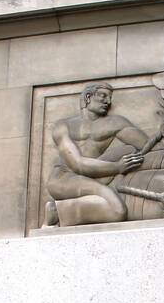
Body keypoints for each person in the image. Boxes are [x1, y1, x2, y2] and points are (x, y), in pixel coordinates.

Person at [45, 82, 150, 226]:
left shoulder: (115, 123)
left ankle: (67, 208)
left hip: (93, 176)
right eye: (103, 96)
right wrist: (118, 167)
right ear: (88, 97)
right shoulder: (63, 126)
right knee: (118, 210)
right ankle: (56, 212)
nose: (108, 101)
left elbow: (149, 145)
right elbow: (77, 164)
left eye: (110, 97)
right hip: (64, 178)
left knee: (129, 150)